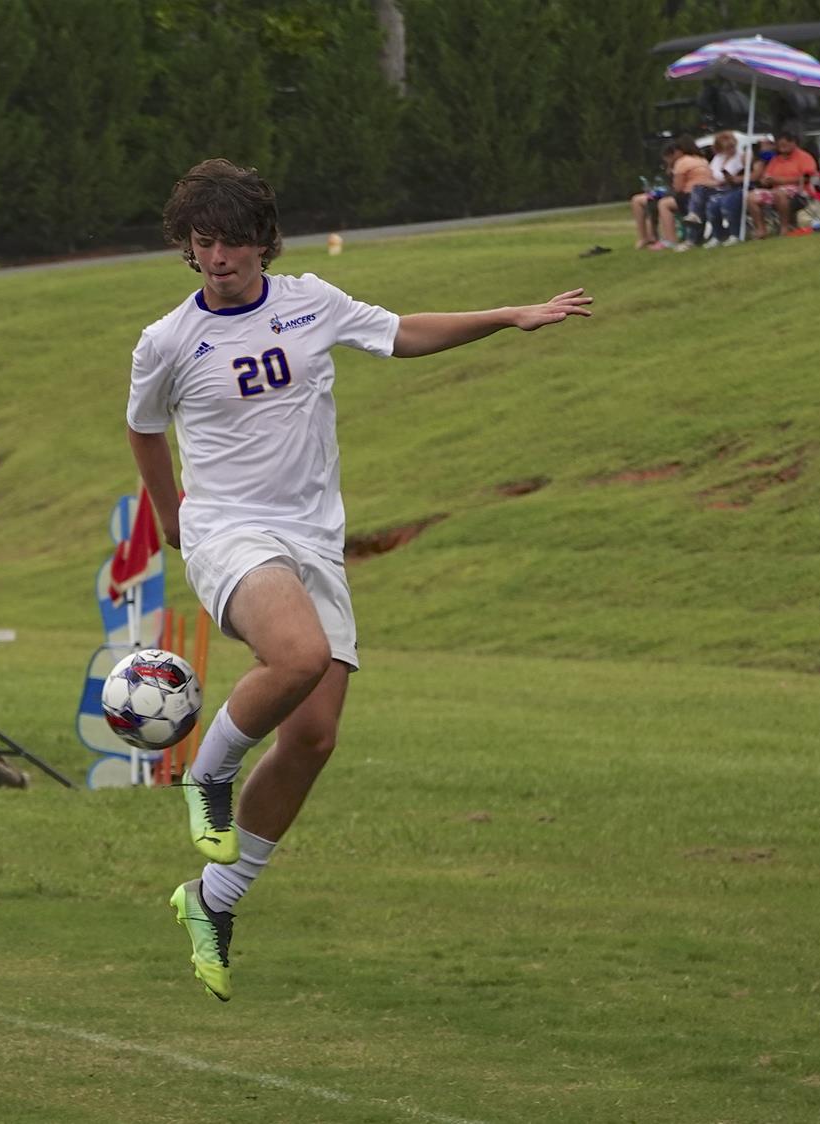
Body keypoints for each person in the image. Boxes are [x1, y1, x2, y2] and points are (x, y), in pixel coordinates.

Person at [128, 158, 590, 1002]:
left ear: (262, 242)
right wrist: (170, 519)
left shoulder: (313, 300)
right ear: (188, 250)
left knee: (313, 737)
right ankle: (207, 776)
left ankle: (213, 901)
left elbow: (404, 331)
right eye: (204, 244)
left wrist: (506, 316)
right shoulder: (166, 341)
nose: (221, 258)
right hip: (229, 533)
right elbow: (145, 430)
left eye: (234, 242)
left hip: (315, 541)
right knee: (297, 656)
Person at [750, 130, 819, 238]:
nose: (782, 148)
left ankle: (785, 228)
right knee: (751, 196)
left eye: (785, 145)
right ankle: (761, 230)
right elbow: (767, 176)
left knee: (779, 193)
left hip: (801, 192)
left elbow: (806, 178)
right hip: (776, 192)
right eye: (780, 145)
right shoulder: (776, 160)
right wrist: (765, 180)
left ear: (793, 143)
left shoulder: (804, 157)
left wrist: (779, 181)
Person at [702, 130, 748, 246]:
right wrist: (714, 182)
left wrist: (727, 179)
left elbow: (741, 175)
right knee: (712, 205)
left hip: (736, 188)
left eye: (732, 147)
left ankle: (734, 234)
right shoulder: (718, 158)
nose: (730, 150)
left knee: (728, 203)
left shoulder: (742, 157)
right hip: (719, 189)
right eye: (726, 148)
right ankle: (717, 235)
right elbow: (709, 175)